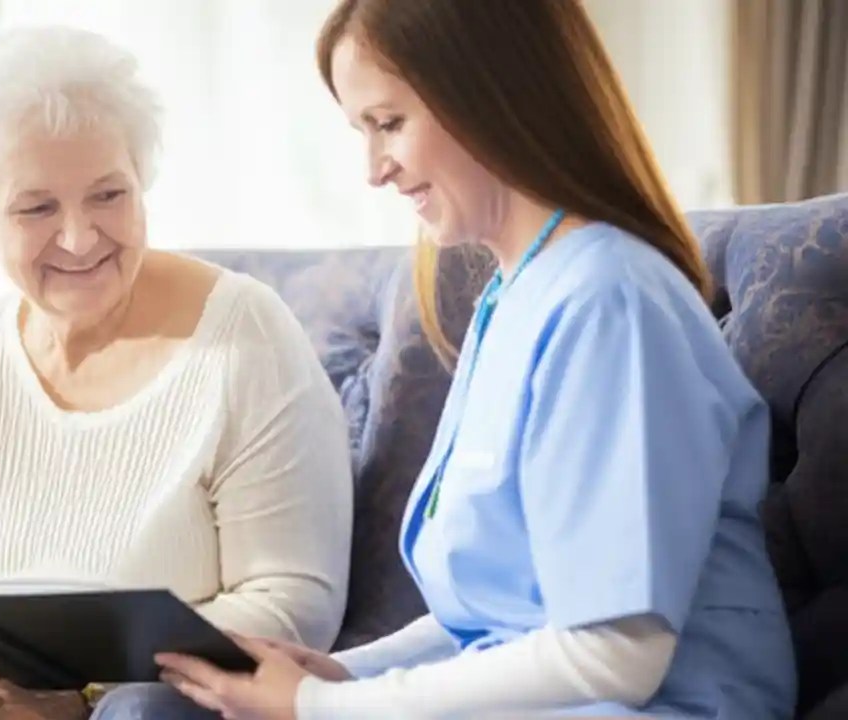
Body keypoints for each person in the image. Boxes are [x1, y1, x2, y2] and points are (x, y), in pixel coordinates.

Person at [155, 1, 798, 718]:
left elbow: (616, 653)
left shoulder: (609, 301)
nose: (375, 170)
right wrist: (341, 673)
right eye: (361, 132)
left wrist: (319, 707)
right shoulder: (512, 297)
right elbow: (497, 620)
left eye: (389, 124)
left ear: (491, 94)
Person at [0, 25, 353, 720]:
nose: (81, 238)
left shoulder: (244, 340)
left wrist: (75, 700)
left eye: (109, 195)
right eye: (37, 208)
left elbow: (295, 601)